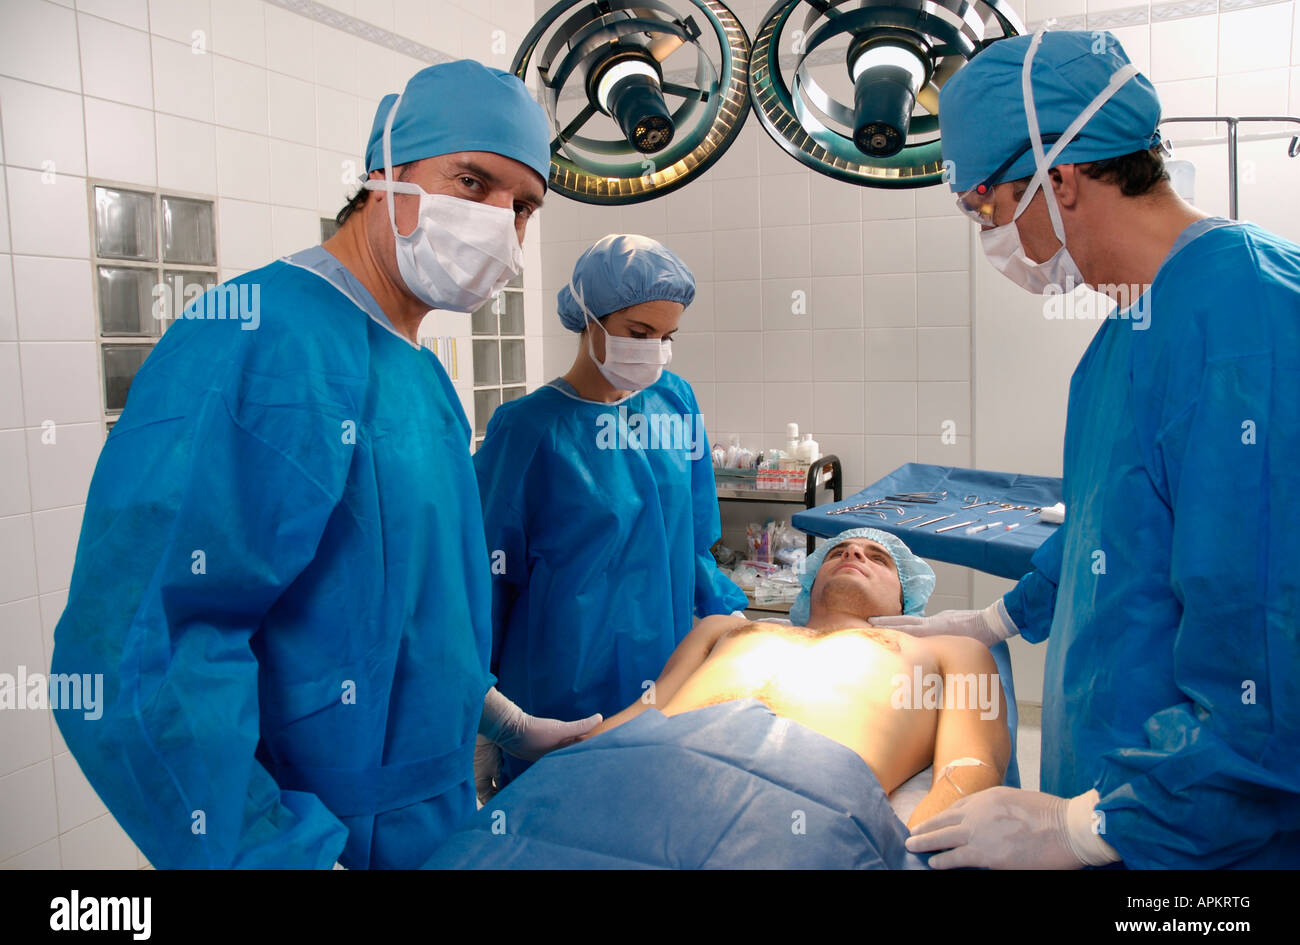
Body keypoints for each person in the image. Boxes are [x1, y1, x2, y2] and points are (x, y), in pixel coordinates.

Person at [51, 60, 593, 870]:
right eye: (472, 182)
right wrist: (277, 854)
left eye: (522, 206)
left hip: (429, 819)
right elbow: (136, 657)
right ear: (385, 175)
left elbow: (399, 608)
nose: (498, 223)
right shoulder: (260, 340)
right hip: (317, 833)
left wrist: (496, 717)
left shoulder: (420, 374)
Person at [875, 29, 1300, 868]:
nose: (991, 233)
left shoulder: (1250, 318)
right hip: (1123, 796)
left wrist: (1090, 828)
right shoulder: (1115, 346)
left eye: (985, 206)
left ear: (1060, 176)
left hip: (1209, 848)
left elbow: (1271, 663)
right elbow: (1110, 529)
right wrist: (999, 616)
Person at [425, 528, 1011, 869]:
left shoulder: (950, 651)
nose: (852, 555)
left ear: (907, 597)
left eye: (876, 557)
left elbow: (969, 768)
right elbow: (640, 714)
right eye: (837, 552)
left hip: (798, 797)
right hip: (629, 770)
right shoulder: (725, 628)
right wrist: (539, 755)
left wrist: (912, 853)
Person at [473, 233, 748, 789]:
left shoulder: (676, 401)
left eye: (668, 337)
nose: (656, 351)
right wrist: (485, 711)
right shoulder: (527, 429)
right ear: (589, 321)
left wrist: (733, 619)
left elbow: (691, 541)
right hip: (558, 689)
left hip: (665, 677)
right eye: (639, 334)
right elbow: (485, 578)